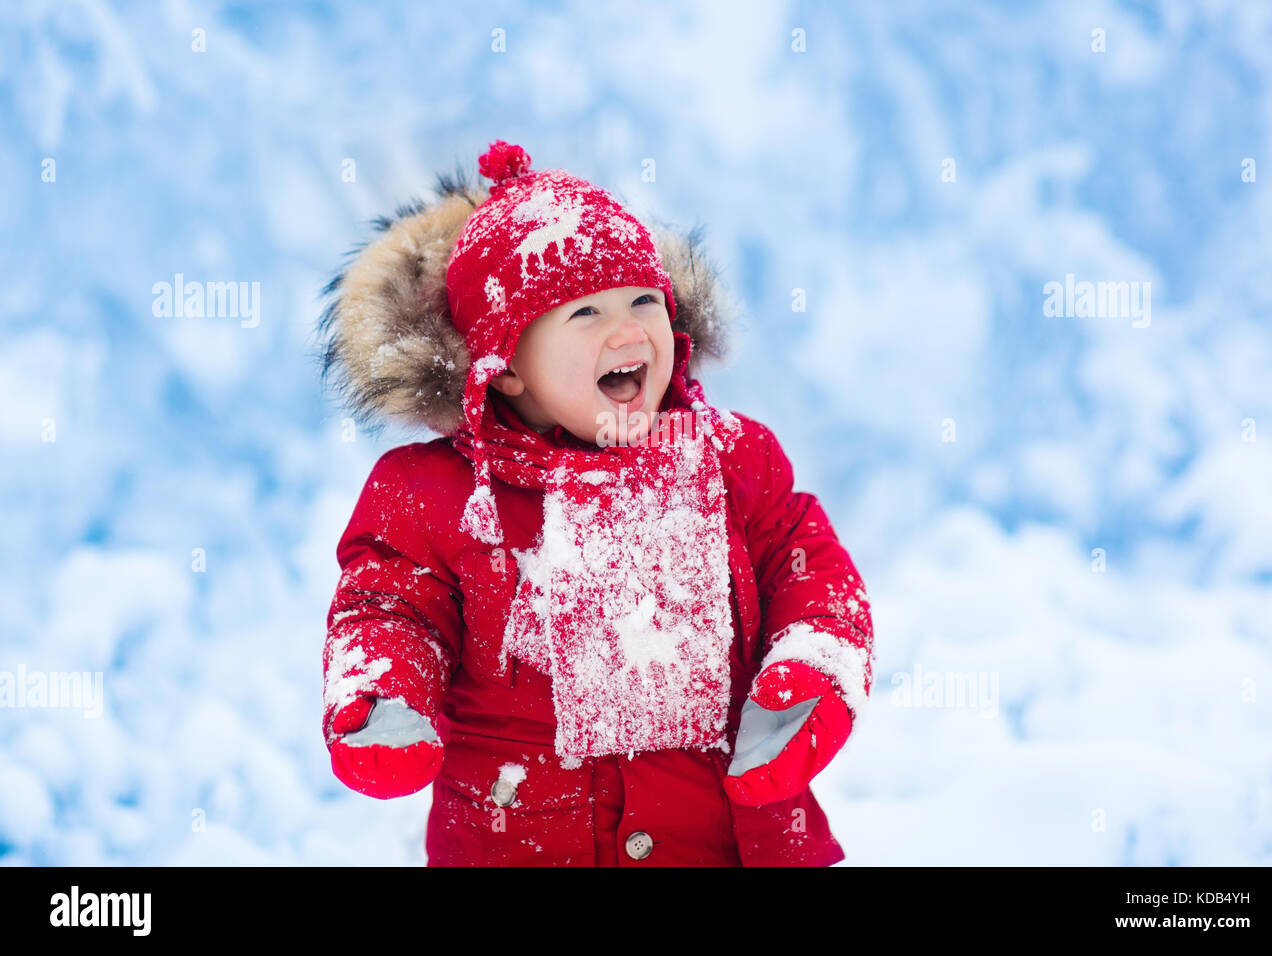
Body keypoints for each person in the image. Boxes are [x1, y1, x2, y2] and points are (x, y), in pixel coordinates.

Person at [317, 139, 875, 866]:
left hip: (732, 842)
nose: (628, 329)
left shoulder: (734, 460)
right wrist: (385, 693)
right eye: (583, 313)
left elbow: (810, 576)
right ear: (505, 367)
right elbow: (390, 607)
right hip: (524, 840)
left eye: (645, 300)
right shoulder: (430, 496)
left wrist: (810, 669)